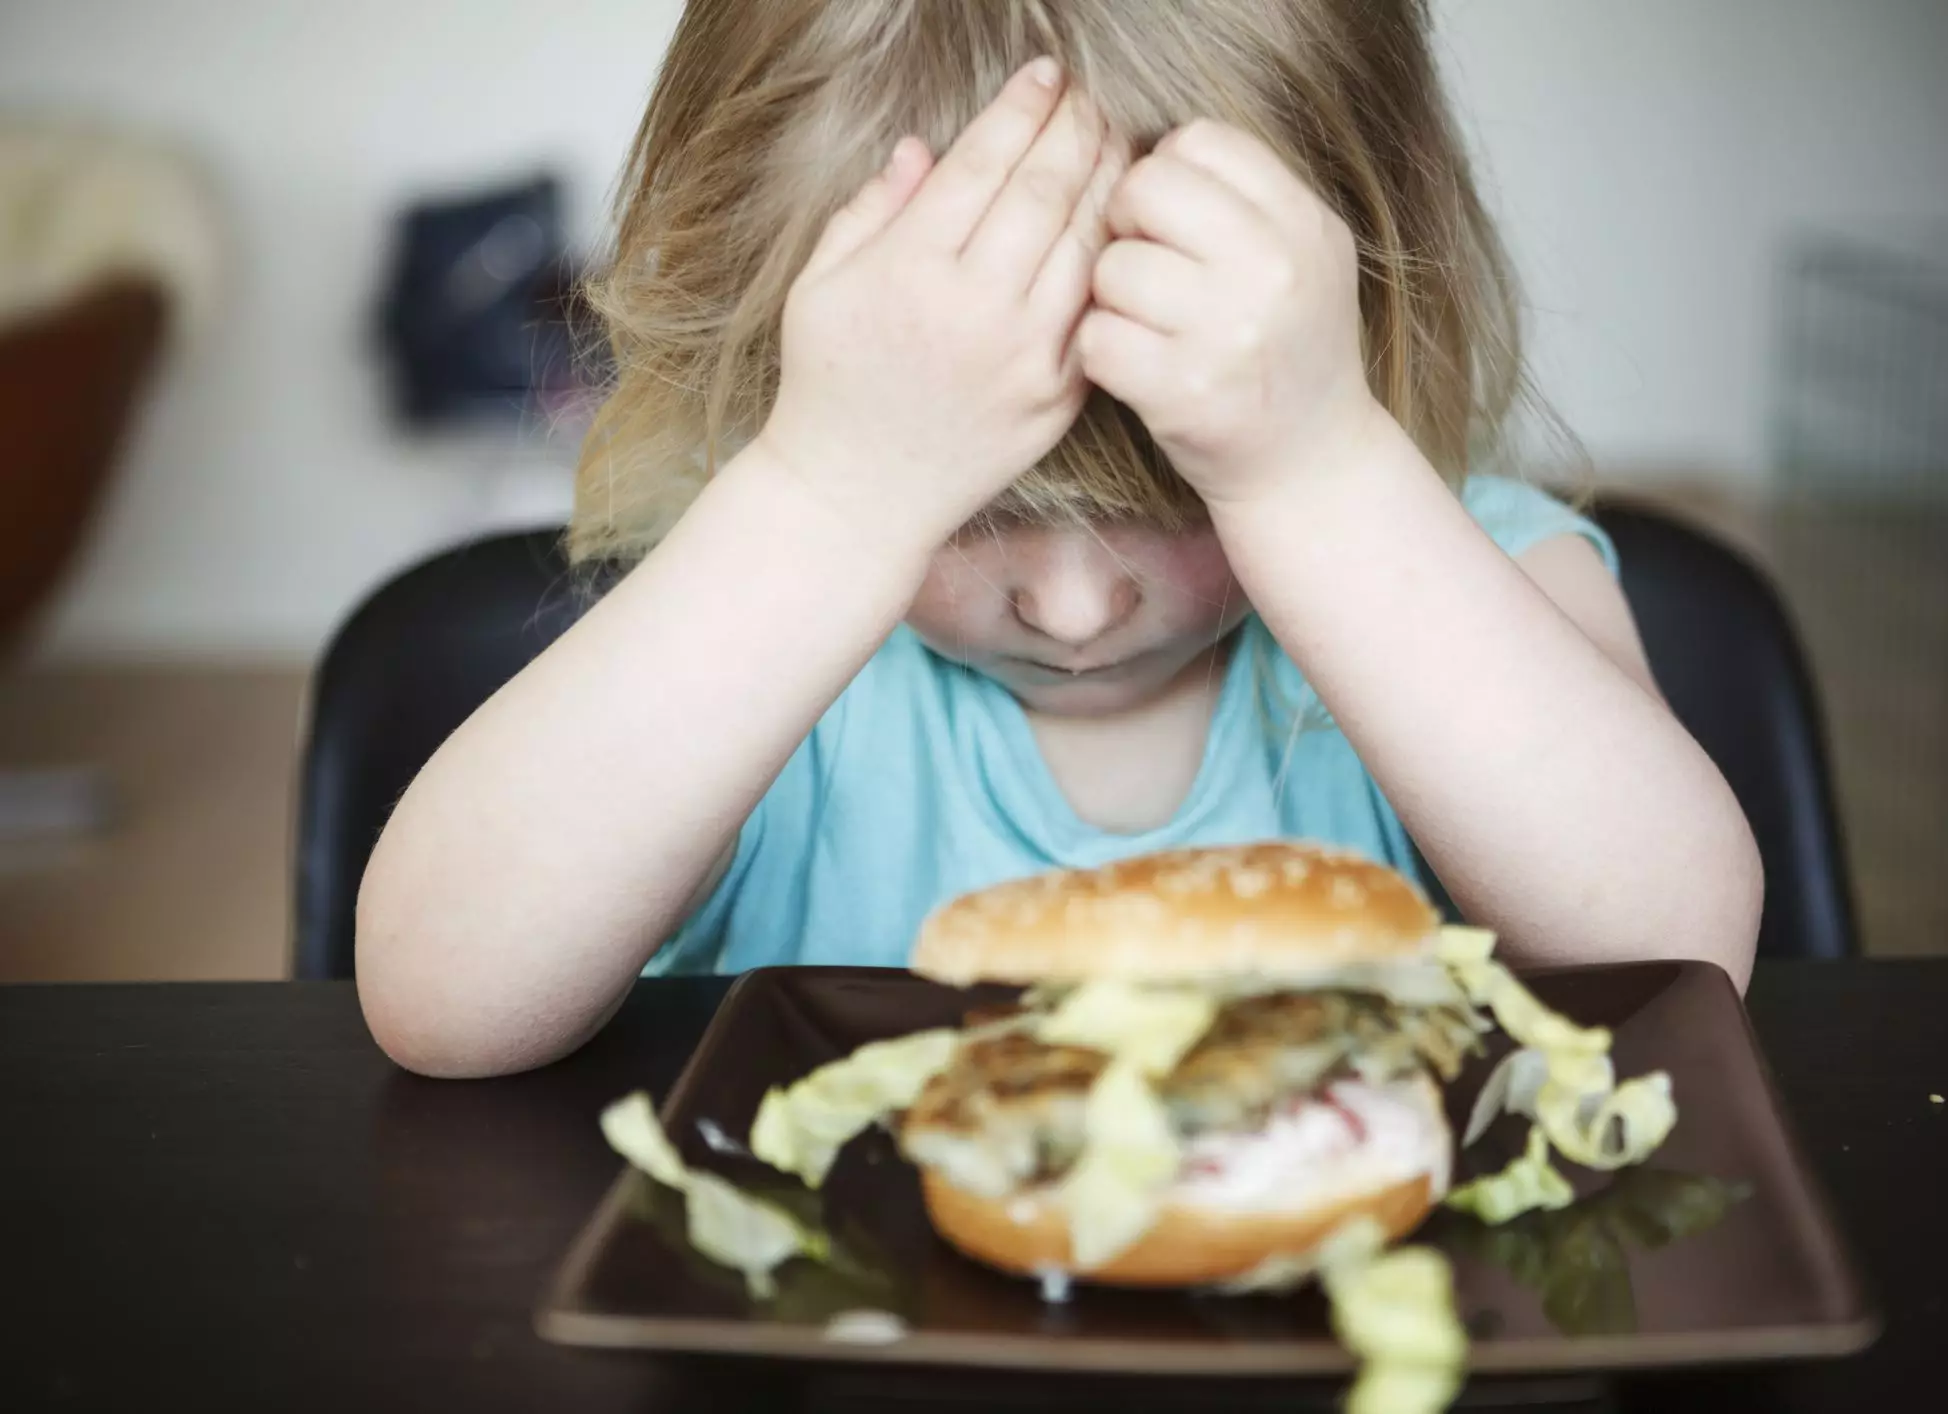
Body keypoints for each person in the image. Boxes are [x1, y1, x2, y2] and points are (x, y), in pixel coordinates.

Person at [356, 0, 1762, 1079]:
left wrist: (1320, 480)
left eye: (1184, 494)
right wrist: (832, 502)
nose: (1079, 610)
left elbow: (1681, 961)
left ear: (1364, 341)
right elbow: (441, 993)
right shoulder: (757, 618)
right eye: (969, 509)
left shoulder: (1468, 572)